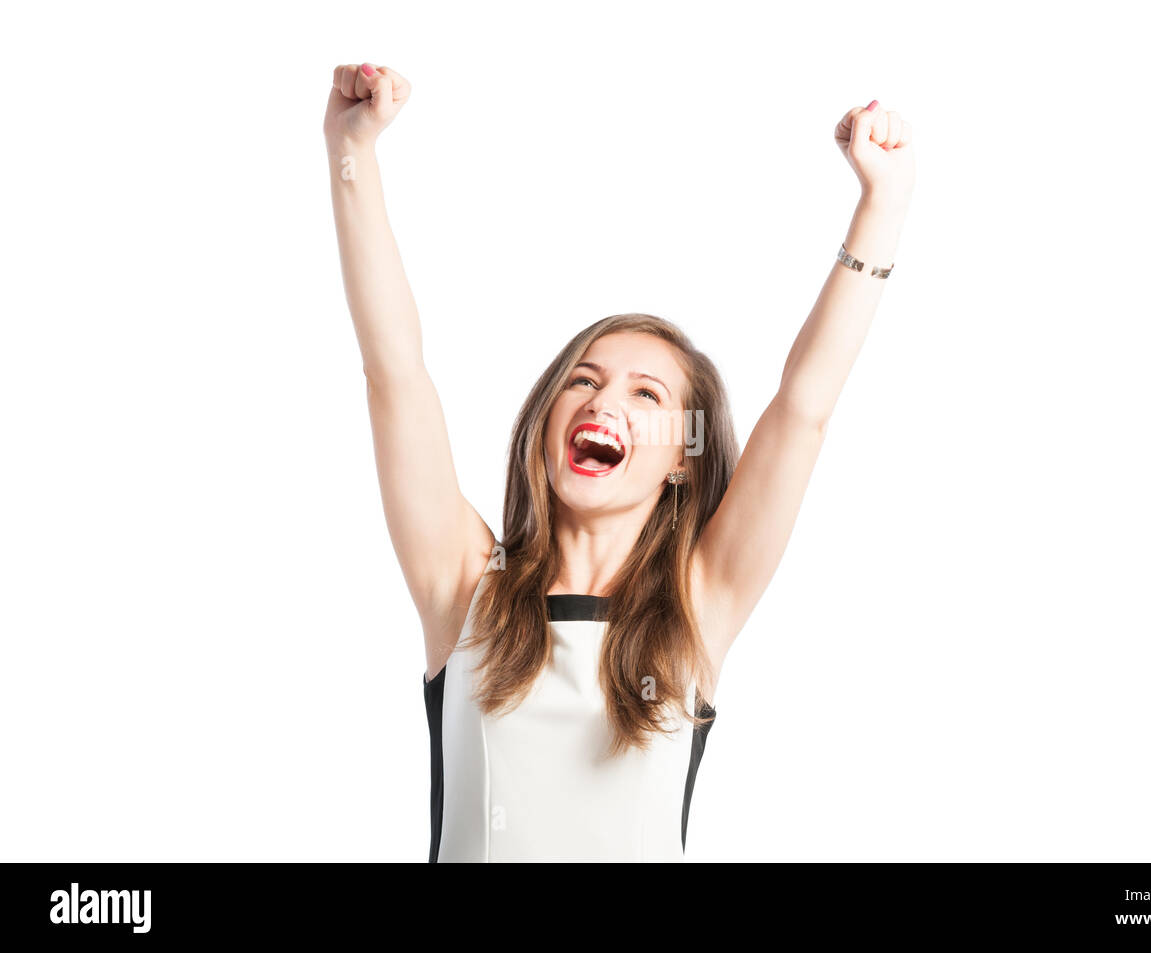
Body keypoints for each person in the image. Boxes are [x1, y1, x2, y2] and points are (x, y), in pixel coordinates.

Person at [323, 62, 915, 862]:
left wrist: (881, 203)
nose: (603, 402)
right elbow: (393, 371)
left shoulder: (698, 605)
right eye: (583, 380)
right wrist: (351, 148)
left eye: (646, 394)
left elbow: (804, 408)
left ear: (682, 457)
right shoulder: (463, 586)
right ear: (548, 418)